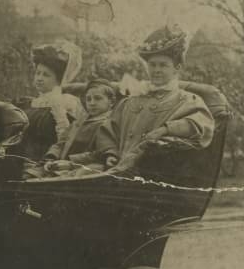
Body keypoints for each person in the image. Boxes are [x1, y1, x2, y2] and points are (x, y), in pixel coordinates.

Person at [88, 24, 215, 176]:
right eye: (152, 65)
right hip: (118, 168)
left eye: (163, 65)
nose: (157, 70)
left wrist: (165, 129)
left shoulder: (186, 100)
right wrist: (111, 154)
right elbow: (109, 130)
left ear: (177, 68)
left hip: (156, 173)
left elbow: (199, 124)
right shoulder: (131, 101)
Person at [14, 40, 86, 165]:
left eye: (46, 75)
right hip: (22, 156)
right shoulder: (29, 103)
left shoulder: (66, 101)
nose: (39, 78)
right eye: (38, 73)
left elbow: (67, 137)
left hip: (48, 158)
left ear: (58, 79)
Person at [33, 78, 119, 176]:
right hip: (61, 164)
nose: (92, 103)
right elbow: (61, 143)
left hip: (85, 166)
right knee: (30, 174)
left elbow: (103, 152)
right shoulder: (78, 122)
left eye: (98, 98)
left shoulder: (109, 122)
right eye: (88, 99)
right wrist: (51, 158)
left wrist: (71, 162)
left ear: (111, 102)